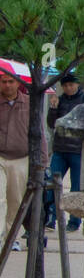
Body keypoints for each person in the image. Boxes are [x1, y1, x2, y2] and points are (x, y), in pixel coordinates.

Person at [0, 68, 47, 253]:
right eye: (3, 81)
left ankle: (12, 238)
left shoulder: (29, 103)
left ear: (18, 83)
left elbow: (40, 133)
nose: (7, 85)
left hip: (21, 158)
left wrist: (42, 161)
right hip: (0, 157)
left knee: (16, 201)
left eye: (10, 81)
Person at [44, 73, 84, 231]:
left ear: (77, 84)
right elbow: (51, 124)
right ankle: (50, 217)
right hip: (60, 149)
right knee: (52, 184)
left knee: (76, 187)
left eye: (71, 85)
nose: (68, 88)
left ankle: (74, 221)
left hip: (79, 150)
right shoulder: (60, 100)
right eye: (65, 86)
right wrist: (53, 109)